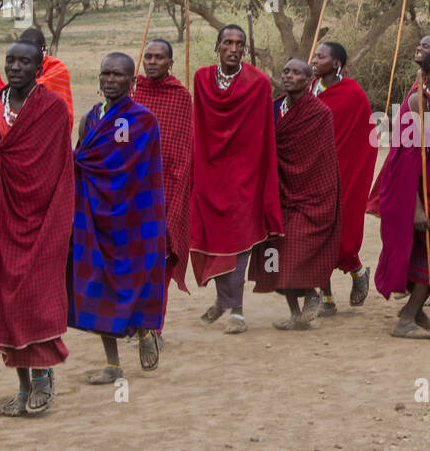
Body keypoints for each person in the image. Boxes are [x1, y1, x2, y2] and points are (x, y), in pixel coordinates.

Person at [0, 40, 74, 416]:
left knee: (35, 299)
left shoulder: (53, 108)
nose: (14, 67)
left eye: (24, 62)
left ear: (37, 68)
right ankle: (23, 384)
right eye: (10, 60)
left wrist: (54, 220)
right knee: (5, 300)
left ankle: (43, 378)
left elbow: (59, 168)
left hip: (41, 218)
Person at [70, 53, 167, 383]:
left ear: (132, 81)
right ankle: (112, 364)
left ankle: (143, 330)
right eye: (105, 74)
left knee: (131, 279)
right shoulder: (89, 120)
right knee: (100, 284)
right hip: (95, 215)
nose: (110, 80)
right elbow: (82, 160)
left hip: (132, 217)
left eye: (118, 75)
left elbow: (140, 171)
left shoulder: (143, 120)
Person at [191, 25, 281, 334]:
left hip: (244, 172)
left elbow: (263, 131)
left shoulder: (258, 83)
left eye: (239, 44)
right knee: (210, 236)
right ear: (216, 47)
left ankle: (237, 311)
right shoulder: (201, 78)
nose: (234, 48)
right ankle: (223, 299)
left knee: (239, 238)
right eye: (227, 43)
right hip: (208, 170)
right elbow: (198, 124)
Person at [374, 51, 430, 339]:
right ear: (425, 76)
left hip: (429, 189)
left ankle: (415, 312)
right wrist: (415, 207)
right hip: (410, 191)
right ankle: (406, 320)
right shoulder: (419, 103)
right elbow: (409, 158)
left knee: (424, 251)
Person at [250, 59, 343, 329]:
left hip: (309, 194)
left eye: (296, 73)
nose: (289, 76)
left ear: (308, 78)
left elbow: (322, 160)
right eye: (286, 71)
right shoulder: (274, 107)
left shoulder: (319, 112)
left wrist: (320, 194)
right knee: (274, 257)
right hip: (278, 193)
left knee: (293, 253)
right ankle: (296, 313)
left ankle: (313, 295)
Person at [310, 41, 374, 315]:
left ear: (336, 64)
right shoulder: (307, 89)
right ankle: (326, 298)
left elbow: (364, 140)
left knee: (343, 235)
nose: (314, 59)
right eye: (315, 55)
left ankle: (358, 272)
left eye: (320, 56)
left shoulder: (353, 94)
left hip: (343, 173)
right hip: (310, 173)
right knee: (314, 237)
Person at [131, 38, 193, 300]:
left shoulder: (180, 97)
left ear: (170, 63)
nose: (152, 62)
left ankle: (154, 328)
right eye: (148, 57)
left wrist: (177, 190)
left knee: (160, 260)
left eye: (159, 58)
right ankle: (134, 321)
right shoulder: (131, 93)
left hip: (167, 189)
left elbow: (185, 150)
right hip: (131, 190)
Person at [0, 26, 74, 126]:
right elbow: (11, 97)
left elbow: (27, 93)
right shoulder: (22, 75)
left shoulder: (58, 70)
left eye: (25, 59)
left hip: (51, 133)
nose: (16, 67)